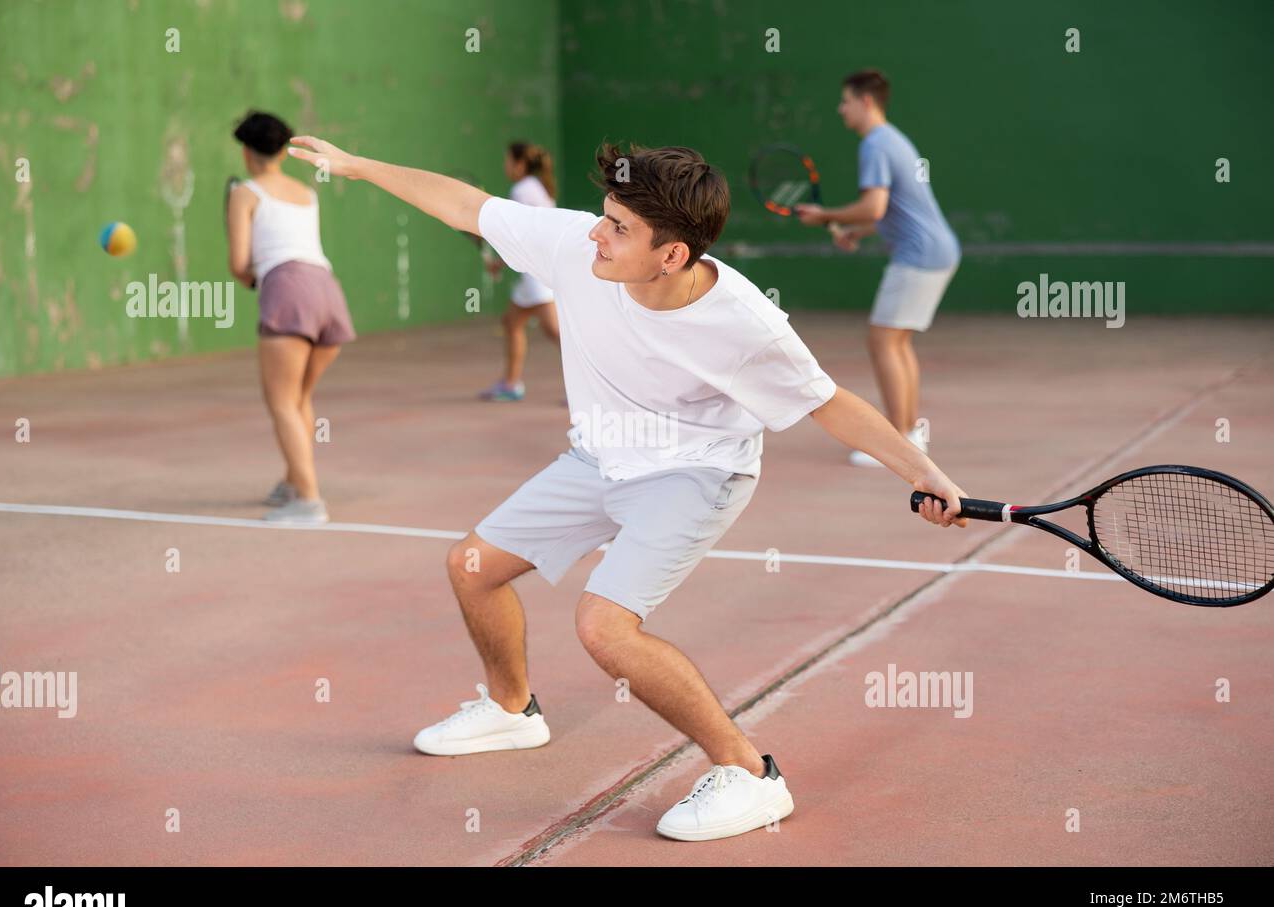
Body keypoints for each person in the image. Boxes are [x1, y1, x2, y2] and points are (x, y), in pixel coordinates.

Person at [286, 132, 969, 842]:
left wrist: (925, 473)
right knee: (472, 567)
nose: (595, 233)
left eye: (618, 226)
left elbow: (828, 403)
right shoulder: (577, 250)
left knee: (605, 628)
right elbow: (467, 206)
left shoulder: (744, 324)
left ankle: (752, 774)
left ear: (671, 255)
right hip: (599, 458)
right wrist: (360, 165)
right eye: (604, 213)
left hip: (693, 472)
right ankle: (512, 711)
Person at [795, 69, 961, 467]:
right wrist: (856, 231)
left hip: (919, 254)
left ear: (865, 102)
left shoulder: (875, 144)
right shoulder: (895, 140)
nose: (841, 109)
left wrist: (824, 216)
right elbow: (894, 211)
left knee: (883, 340)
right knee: (896, 341)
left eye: (845, 101)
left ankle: (902, 442)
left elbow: (875, 206)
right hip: (938, 249)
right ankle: (910, 432)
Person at [227, 111, 354, 524]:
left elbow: (239, 264)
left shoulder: (244, 193)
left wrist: (253, 277)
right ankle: (294, 482)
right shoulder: (306, 193)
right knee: (299, 398)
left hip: (288, 290)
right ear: (283, 150)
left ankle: (310, 502)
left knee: (281, 402)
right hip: (328, 291)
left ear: (247, 152)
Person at [478, 142, 561, 402]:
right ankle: (511, 384)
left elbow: (518, 235)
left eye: (507, 161)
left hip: (538, 271)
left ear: (520, 165)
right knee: (512, 322)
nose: (505, 166)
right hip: (537, 268)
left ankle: (595, 391)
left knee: (557, 332)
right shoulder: (537, 188)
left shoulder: (522, 190)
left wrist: (498, 262)